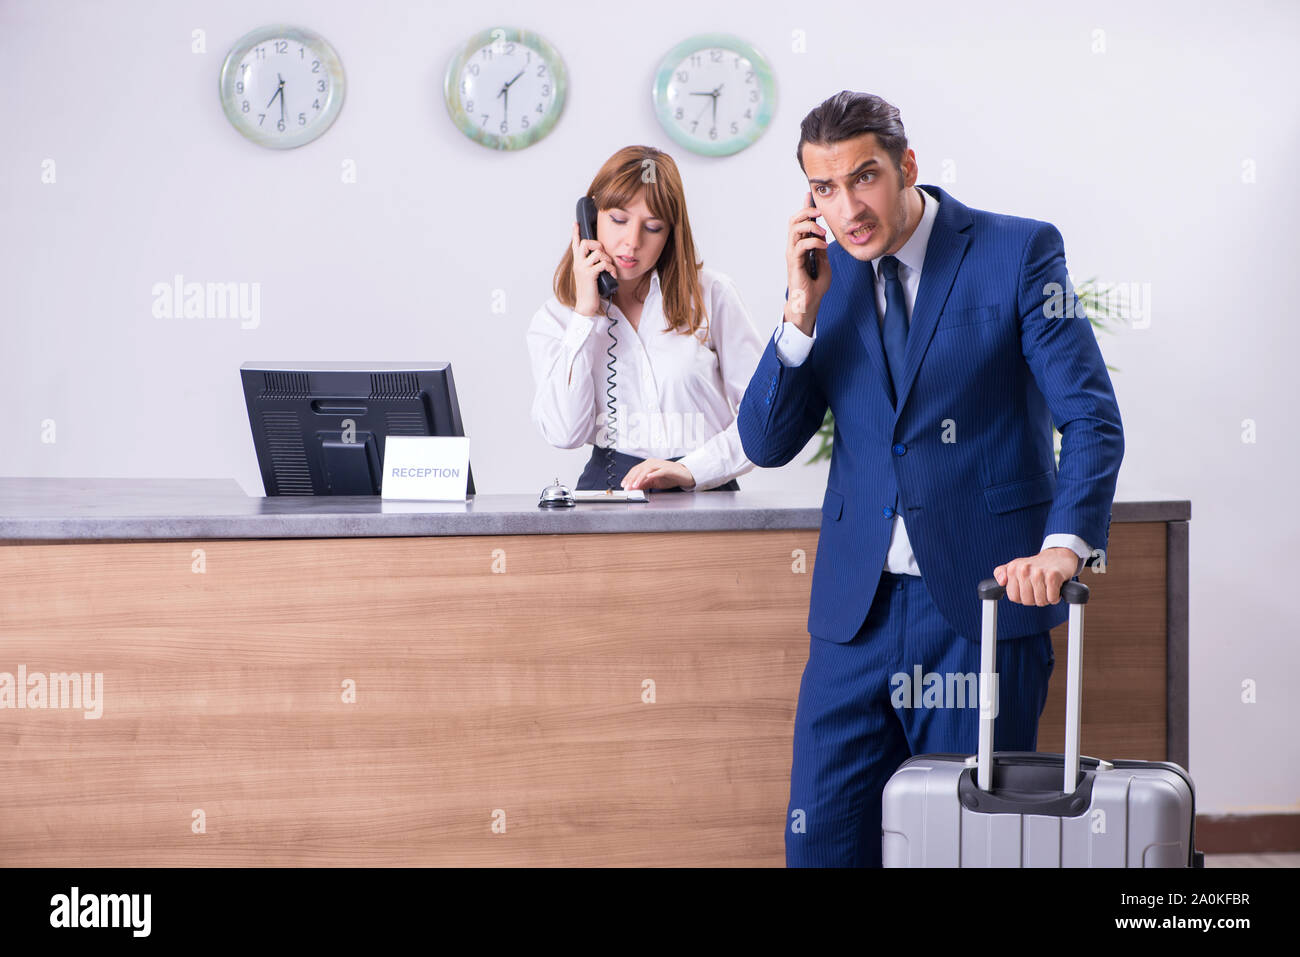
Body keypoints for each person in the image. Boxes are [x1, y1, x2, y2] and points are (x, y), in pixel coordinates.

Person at [736, 91, 1124, 867]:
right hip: (854, 618)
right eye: (823, 189)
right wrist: (799, 311)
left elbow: (1089, 417)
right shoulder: (825, 279)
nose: (848, 208)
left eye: (864, 177)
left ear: (907, 165)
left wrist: (1064, 546)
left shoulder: (1017, 251)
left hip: (982, 612)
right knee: (821, 844)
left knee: (968, 849)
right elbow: (766, 442)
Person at [528, 145, 764, 492]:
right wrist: (585, 315)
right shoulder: (556, 319)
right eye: (618, 220)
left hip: (704, 488)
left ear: (670, 234)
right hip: (610, 488)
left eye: (653, 227)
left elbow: (763, 417)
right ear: (590, 220)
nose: (632, 242)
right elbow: (564, 433)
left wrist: (692, 469)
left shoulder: (713, 295)